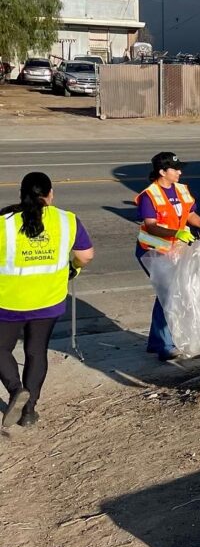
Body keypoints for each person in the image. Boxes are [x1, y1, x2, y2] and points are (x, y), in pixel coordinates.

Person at [0, 173, 94, 430]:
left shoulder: (4, 222)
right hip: (48, 301)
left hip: (8, 301)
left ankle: (16, 389)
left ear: (22, 193)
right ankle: (29, 412)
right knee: (35, 352)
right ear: (50, 194)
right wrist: (72, 268)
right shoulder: (67, 220)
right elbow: (85, 255)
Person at [135, 152, 200, 360]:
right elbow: (151, 226)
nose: (180, 172)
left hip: (175, 249)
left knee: (169, 293)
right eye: (175, 169)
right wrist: (176, 233)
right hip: (153, 251)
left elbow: (189, 214)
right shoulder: (149, 195)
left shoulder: (181, 189)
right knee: (169, 294)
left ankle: (157, 341)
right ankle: (165, 345)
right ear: (162, 172)